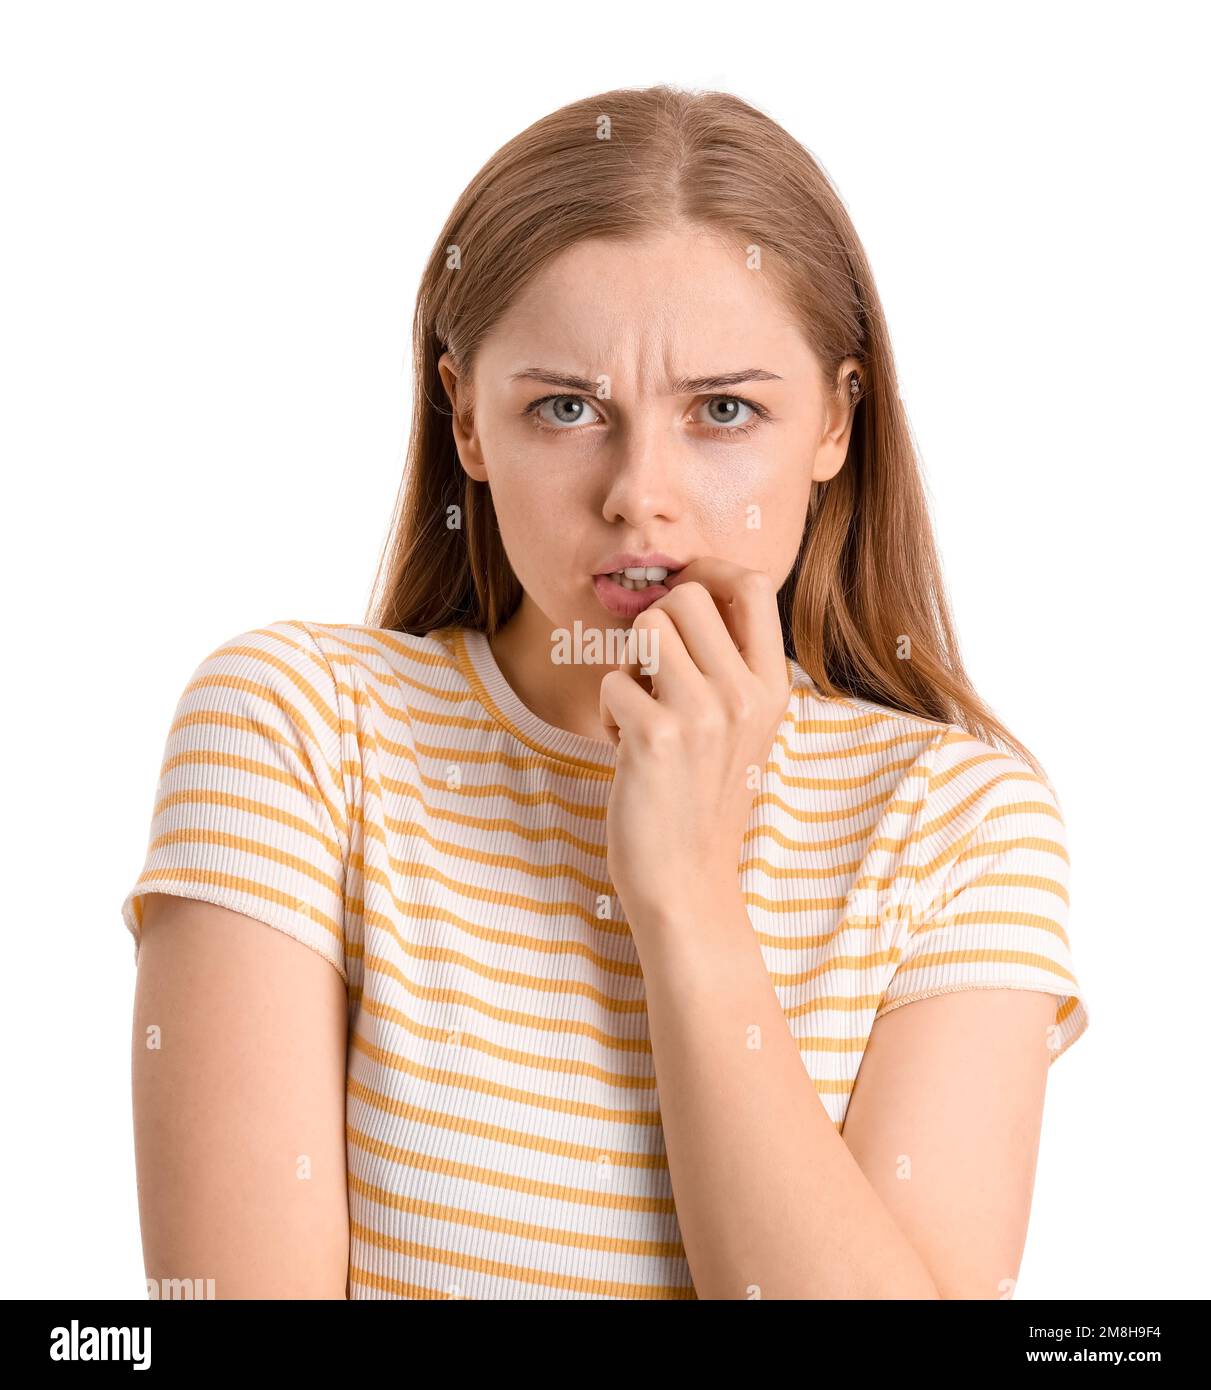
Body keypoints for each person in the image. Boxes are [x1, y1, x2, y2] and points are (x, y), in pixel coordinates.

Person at [123, 84, 1089, 1301]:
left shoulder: (958, 826)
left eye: (724, 410)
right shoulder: (298, 731)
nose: (640, 491)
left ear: (836, 423)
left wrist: (685, 896)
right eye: (566, 408)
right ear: (465, 418)